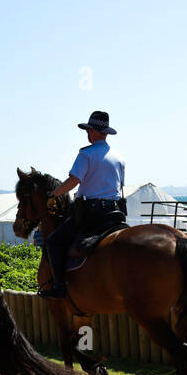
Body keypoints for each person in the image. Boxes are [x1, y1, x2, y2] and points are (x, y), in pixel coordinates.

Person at [39, 110, 126, 299]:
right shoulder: (119, 157)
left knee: (53, 242)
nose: (87, 134)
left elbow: (73, 181)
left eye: (88, 130)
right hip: (115, 212)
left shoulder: (86, 154)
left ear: (93, 131)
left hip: (92, 213)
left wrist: (53, 195)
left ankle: (60, 286)